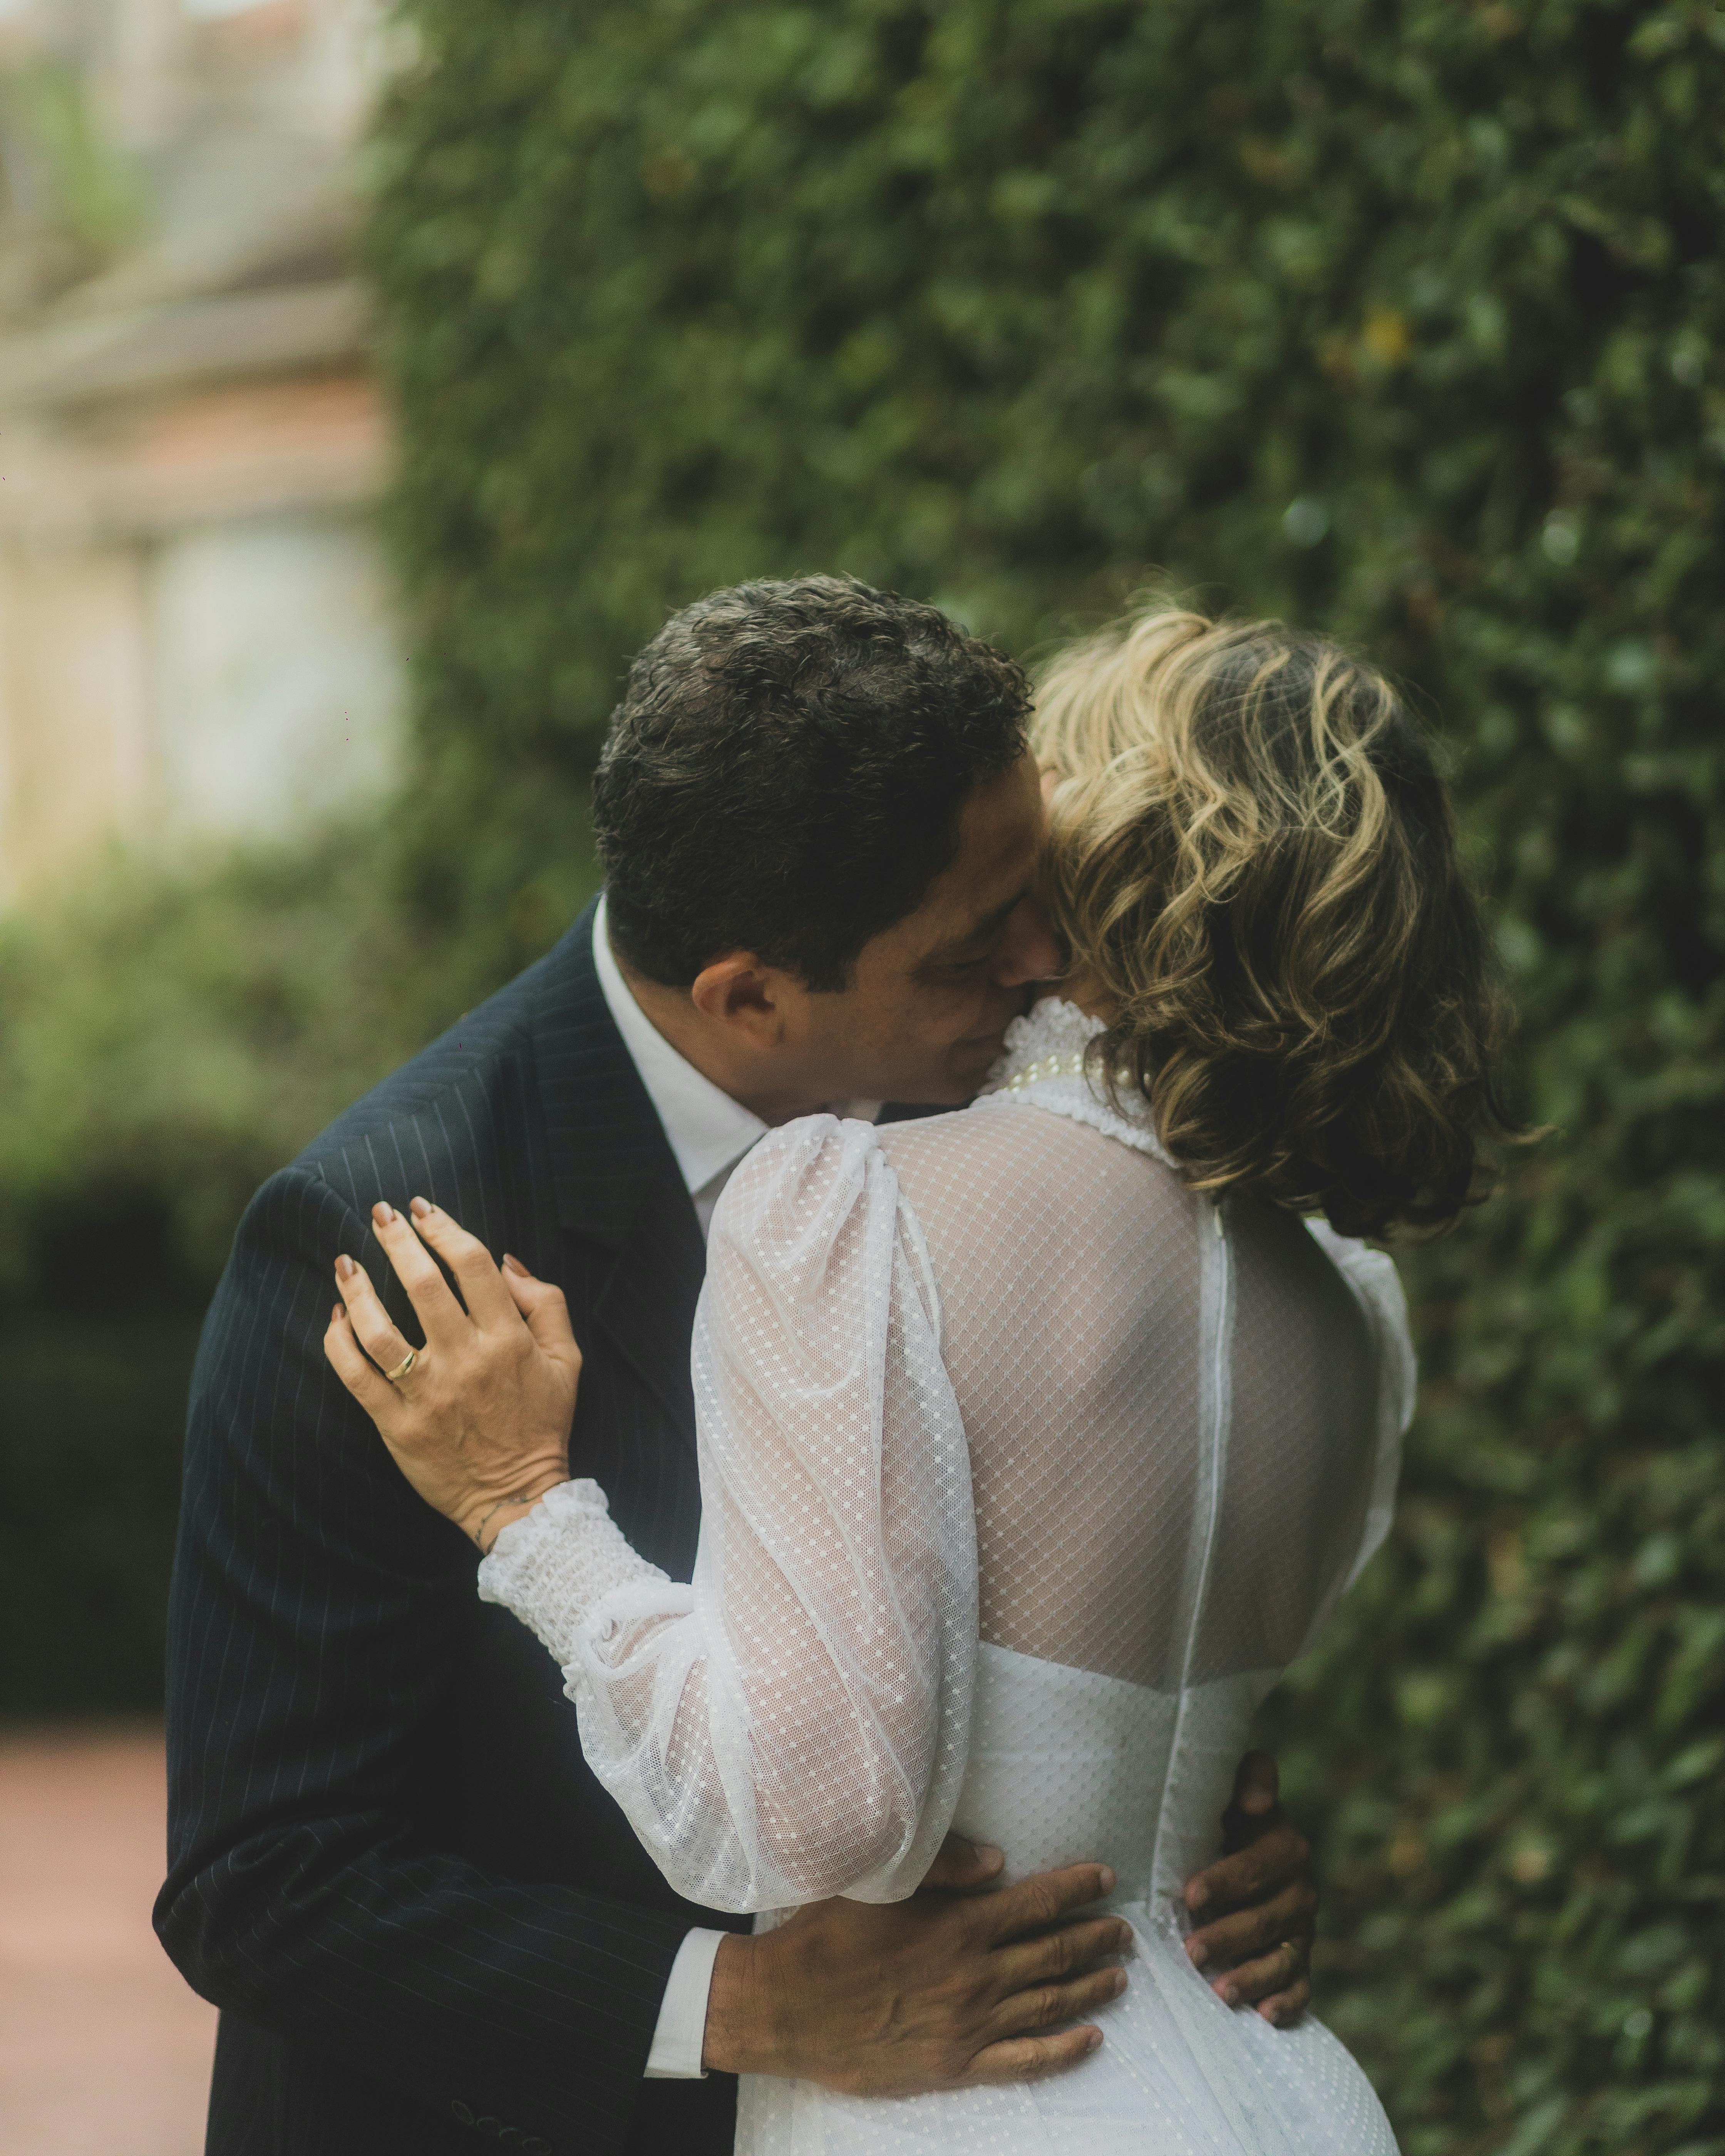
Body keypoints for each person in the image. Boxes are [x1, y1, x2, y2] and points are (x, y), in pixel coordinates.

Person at [328, 600, 1514, 2154]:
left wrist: (531, 1513)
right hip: (1289, 2090)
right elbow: (1153, 1748)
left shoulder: (855, 1205)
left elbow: (816, 1815)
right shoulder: (1352, 1305)